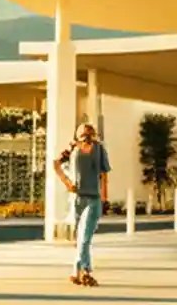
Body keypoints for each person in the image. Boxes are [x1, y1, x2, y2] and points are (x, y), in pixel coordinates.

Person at [53, 122, 111, 286]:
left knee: (85, 237)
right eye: (82, 134)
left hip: (93, 198)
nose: (86, 136)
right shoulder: (72, 149)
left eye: (89, 133)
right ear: (77, 135)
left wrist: (105, 198)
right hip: (77, 199)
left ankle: (86, 271)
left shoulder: (99, 150)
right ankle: (76, 273)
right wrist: (67, 183)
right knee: (79, 239)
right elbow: (56, 164)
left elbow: (104, 174)